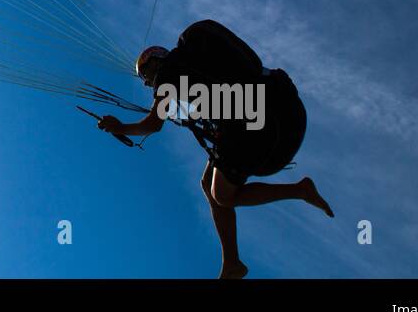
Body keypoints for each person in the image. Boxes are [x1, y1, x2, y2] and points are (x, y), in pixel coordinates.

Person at [96, 19, 333, 278]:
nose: (145, 83)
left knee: (223, 194)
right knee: (207, 181)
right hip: (282, 113)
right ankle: (232, 263)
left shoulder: (168, 74)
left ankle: (299, 190)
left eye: (144, 74)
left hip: (257, 127)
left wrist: (119, 128)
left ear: (155, 61)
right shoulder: (195, 65)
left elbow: (153, 125)